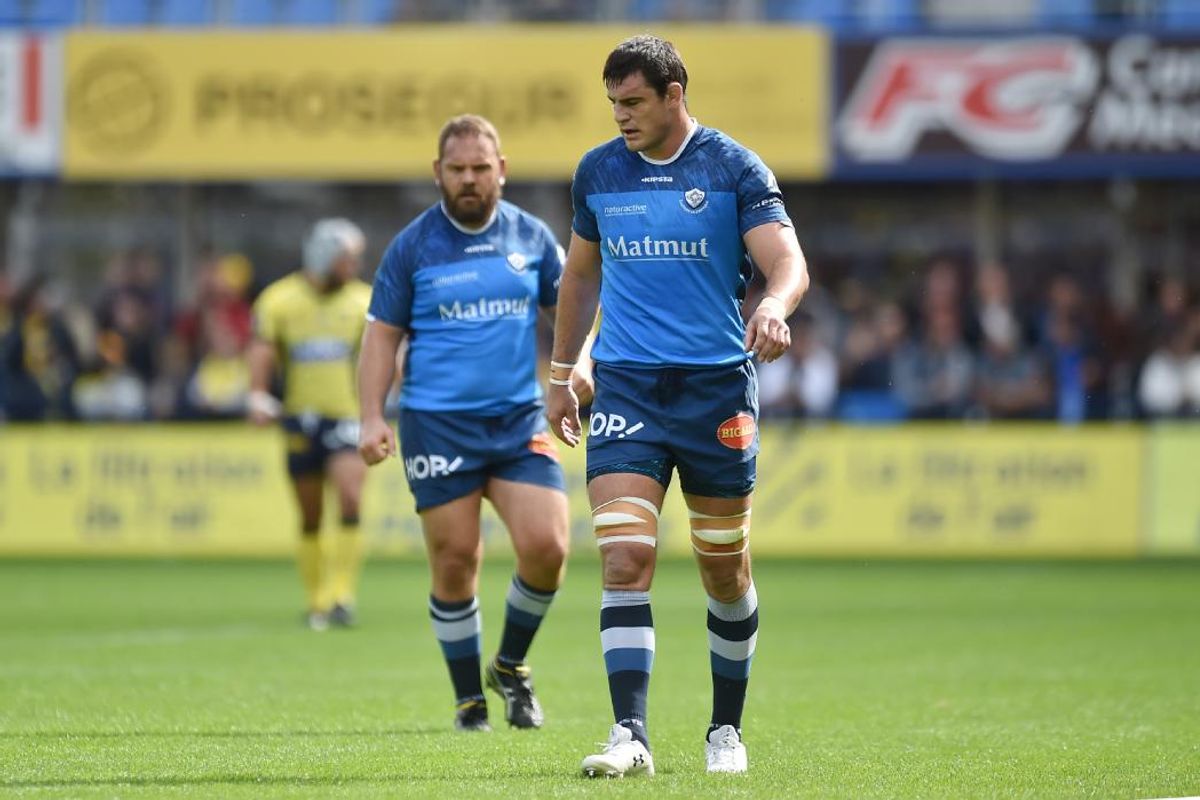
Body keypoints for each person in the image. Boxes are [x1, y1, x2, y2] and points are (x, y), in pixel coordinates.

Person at [545, 35, 810, 777]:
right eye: (613, 103)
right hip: (628, 388)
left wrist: (773, 306)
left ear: (674, 94)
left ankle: (725, 729)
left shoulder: (733, 167)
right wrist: (563, 373)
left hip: (715, 391)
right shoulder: (598, 171)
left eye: (633, 101)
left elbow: (786, 261)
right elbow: (580, 277)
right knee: (625, 557)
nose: (621, 116)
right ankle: (629, 733)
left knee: (723, 570)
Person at [357, 114, 569, 733]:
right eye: (458, 169)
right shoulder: (413, 246)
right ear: (438, 173)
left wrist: (577, 370)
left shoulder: (532, 237)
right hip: (437, 423)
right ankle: (468, 701)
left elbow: (571, 313)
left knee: (548, 548)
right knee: (455, 559)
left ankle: (510, 665)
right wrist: (371, 416)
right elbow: (381, 337)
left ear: (502, 169)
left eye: (481, 168)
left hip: (517, 419)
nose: (470, 179)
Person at [247, 219, 372, 631]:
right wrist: (258, 395)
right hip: (299, 418)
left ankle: (342, 595)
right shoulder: (279, 300)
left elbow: (382, 353)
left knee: (350, 497)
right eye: (347, 258)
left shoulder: (365, 301)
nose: (353, 266)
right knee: (310, 514)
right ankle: (316, 599)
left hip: (348, 417)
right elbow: (263, 349)